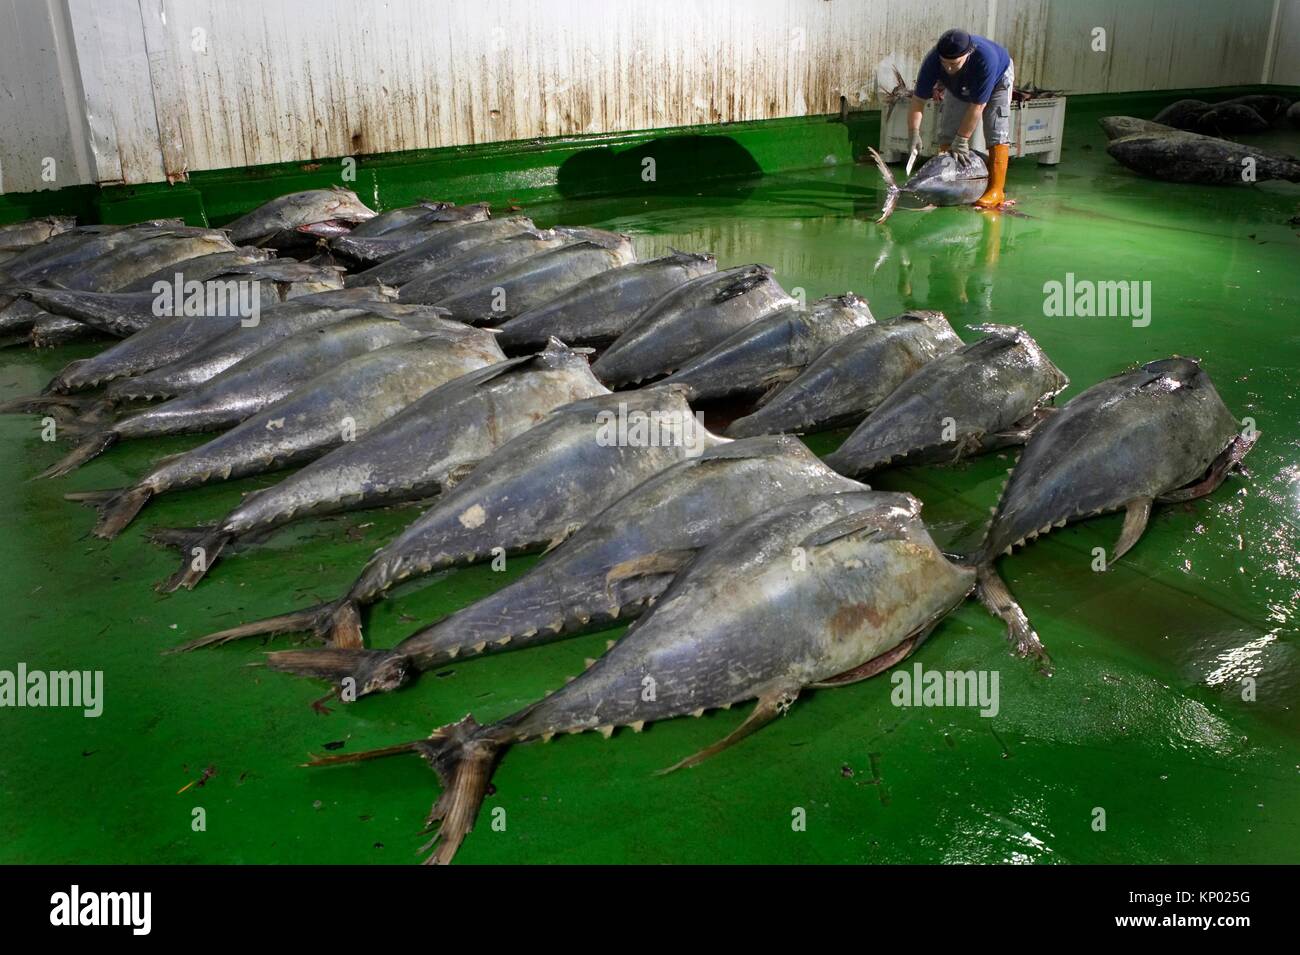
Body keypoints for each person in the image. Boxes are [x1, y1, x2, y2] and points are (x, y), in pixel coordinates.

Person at [906, 29, 1014, 209]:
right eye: (944, 63)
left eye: (953, 63)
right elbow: (918, 100)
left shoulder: (986, 60)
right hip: (958, 85)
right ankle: (948, 187)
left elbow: (977, 106)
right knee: (948, 133)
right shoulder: (933, 60)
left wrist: (963, 139)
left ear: (968, 54)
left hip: (998, 80)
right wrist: (913, 132)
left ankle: (996, 189)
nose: (948, 68)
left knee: (996, 130)